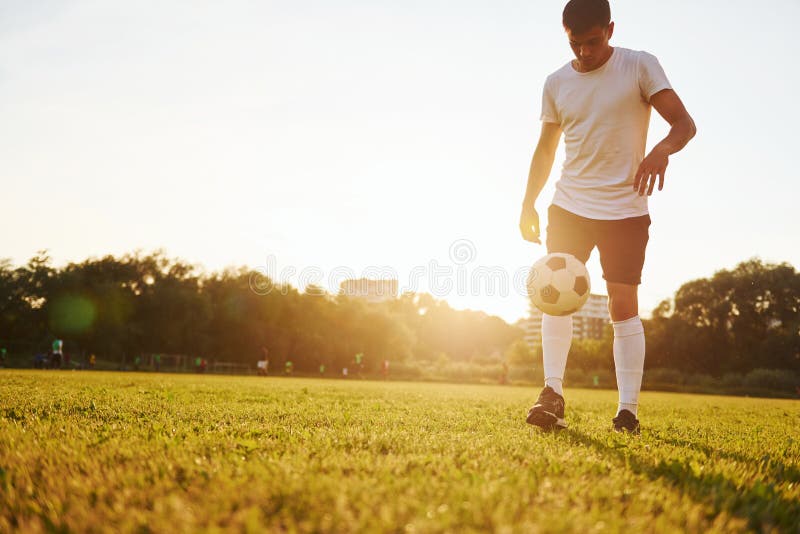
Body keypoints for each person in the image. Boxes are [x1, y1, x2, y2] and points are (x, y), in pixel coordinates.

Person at [519, 0, 696, 434]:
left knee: (622, 306)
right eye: (575, 44)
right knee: (554, 296)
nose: (584, 52)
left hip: (625, 208)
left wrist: (660, 150)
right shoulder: (556, 82)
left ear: (611, 30)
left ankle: (628, 411)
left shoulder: (639, 67)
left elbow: (684, 125)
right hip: (569, 205)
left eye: (593, 42)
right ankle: (552, 393)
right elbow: (545, 149)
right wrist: (528, 203)